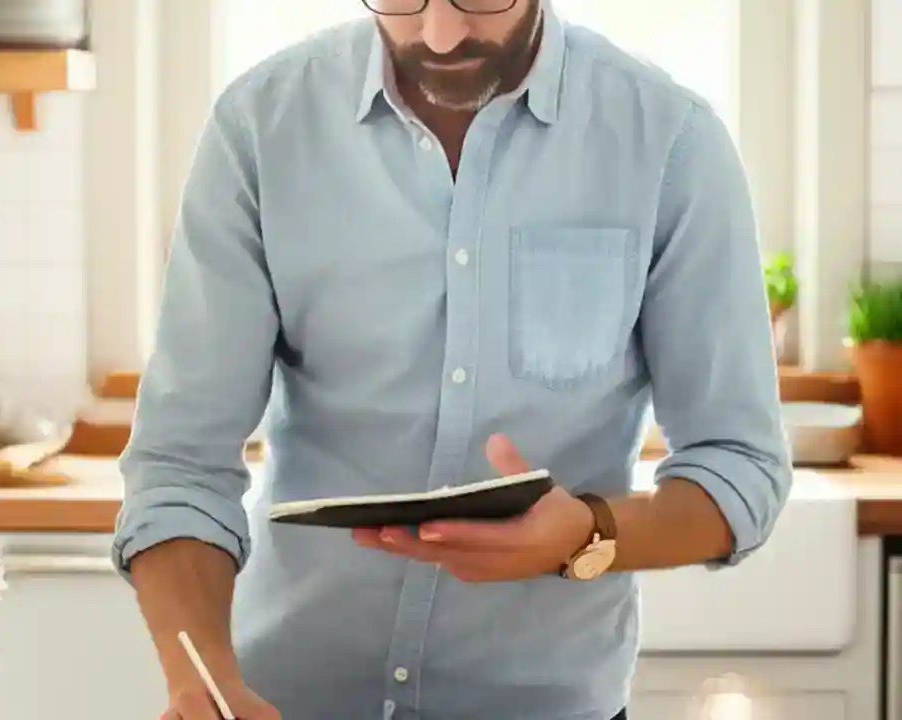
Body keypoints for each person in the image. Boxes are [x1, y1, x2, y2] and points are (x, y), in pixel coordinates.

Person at [113, 0, 793, 717]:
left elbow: (739, 464)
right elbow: (181, 466)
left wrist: (588, 534)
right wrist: (206, 679)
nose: (440, 33)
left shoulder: (670, 142)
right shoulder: (259, 128)